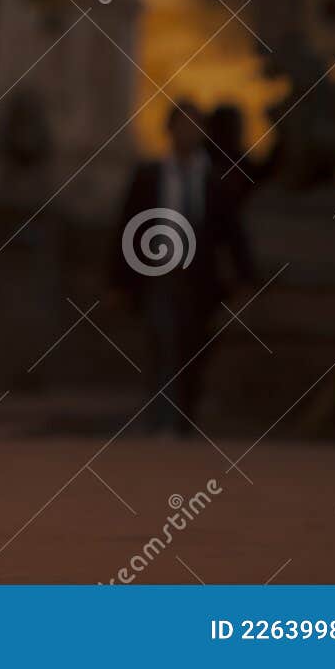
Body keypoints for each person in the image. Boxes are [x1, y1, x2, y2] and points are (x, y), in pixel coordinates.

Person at [109, 100, 257, 436]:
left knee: (193, 348)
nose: (189, 134)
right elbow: (125, 228)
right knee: (162, 342)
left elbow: (233, 233)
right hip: (159, 276)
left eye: (196, 127)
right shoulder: (149, 176)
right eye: (183, 126)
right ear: (169, 129)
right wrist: (118, 282)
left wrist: (246, 277)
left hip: (200, 283)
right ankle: (162, 420)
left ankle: (183, 419)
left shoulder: (215, 180)